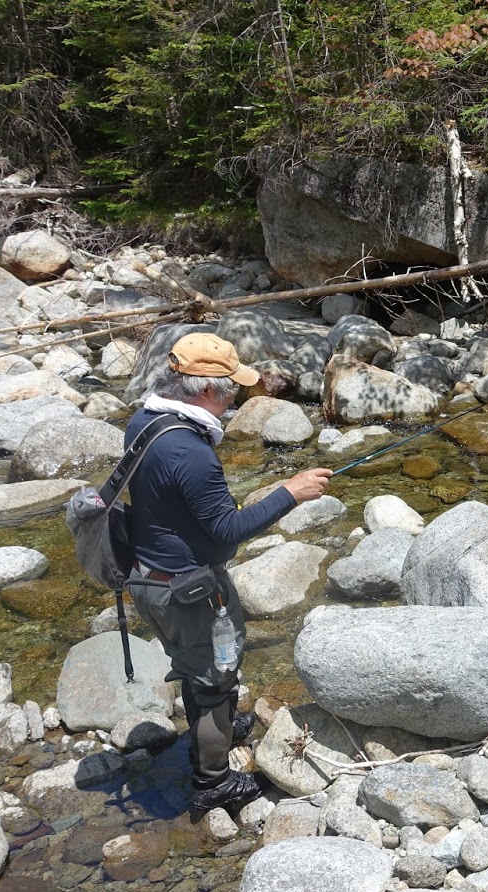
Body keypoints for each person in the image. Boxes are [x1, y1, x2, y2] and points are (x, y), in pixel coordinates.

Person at [123, 332, 332, 813]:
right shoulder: (190, 452)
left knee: (200, 666)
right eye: (231, 389)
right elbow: (223, 536)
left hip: (149, 576)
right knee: (216, 675)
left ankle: (211, 724)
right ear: (203, 391)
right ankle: (212, 779)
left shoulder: (145, 420)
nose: (237, 396)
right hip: (186, 589)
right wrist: (289, 493)